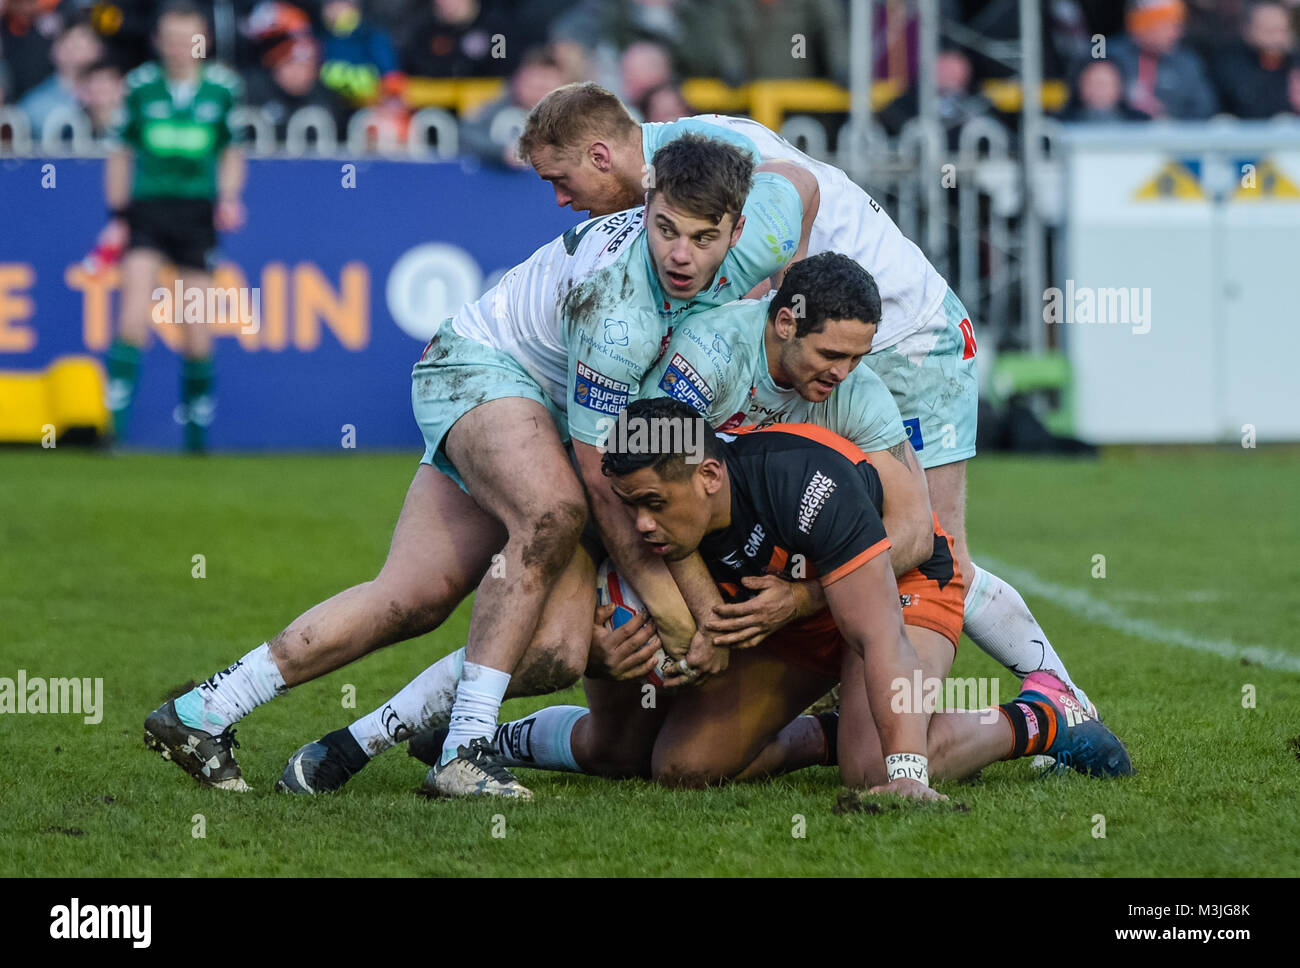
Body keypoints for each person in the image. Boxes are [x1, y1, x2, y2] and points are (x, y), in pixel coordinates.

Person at [146, 135, 812, 798]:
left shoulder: (769, 229)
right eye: (664, 228)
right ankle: (463, 752)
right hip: (479, 369)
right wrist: (682, 617)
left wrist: (788, 283)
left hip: (539, 408)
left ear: (741, 228)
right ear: (646, 207)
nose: (679, 253)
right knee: (552, 512)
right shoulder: (619, 314)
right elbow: (606, 485)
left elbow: (798, 182)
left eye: (702, 237)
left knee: (465, 618)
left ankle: (203, 711)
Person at [517, 81, 1100, 717]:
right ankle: (845, 696)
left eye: (561, 178)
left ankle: (1057, 696)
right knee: (780, 518)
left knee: (936, 551)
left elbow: (802, 189)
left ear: (601, 155)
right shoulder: (682, 176)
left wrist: (772, 298)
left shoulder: (708, 152)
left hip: (906, 340)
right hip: (811, 350)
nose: (561, 199)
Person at [465, 398, 1132, 794]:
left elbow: (878, 639)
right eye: (630, 506)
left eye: (651, 505)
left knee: (875, 770)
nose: (639, 526)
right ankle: (839, 735)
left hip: (900, 590)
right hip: (800, 617)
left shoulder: (802, 483)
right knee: (684, 766)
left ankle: (1042, 713)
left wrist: (904, 771)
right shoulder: (676, 510)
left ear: (706, 476)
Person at [101, 0, 246, 453]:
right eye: (172, 41)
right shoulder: (142, 88)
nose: (181, 50)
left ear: (202, 44)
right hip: (148, 210)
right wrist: (119, 215)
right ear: (158, 44)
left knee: (196, 327)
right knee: (132, 317)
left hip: (196, 214)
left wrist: (227, 196)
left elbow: (231, 151)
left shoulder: (222, 90)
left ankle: (196, 440)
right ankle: (114, 433)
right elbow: (121, 153)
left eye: (189, 41)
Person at [1108, 0, 1218, 120]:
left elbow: (1204, 110)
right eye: (1170, 26)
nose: (1177, 33)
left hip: (1175, 136)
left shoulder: (1187, 63)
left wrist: (1169, 118)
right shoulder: (1112, 58)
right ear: (1146, 27)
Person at [17, 18, 102, 139]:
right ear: (56, 49)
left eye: (87, 39)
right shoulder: (36, 103)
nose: (78, 47)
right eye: (72, 42)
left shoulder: (109, 91)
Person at [1212, 1, 1297, 118]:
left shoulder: (1294, 65)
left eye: (1281, 30)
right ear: (1248, 31)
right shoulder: (1230, 69)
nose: (1276, 38)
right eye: (1268, 31)